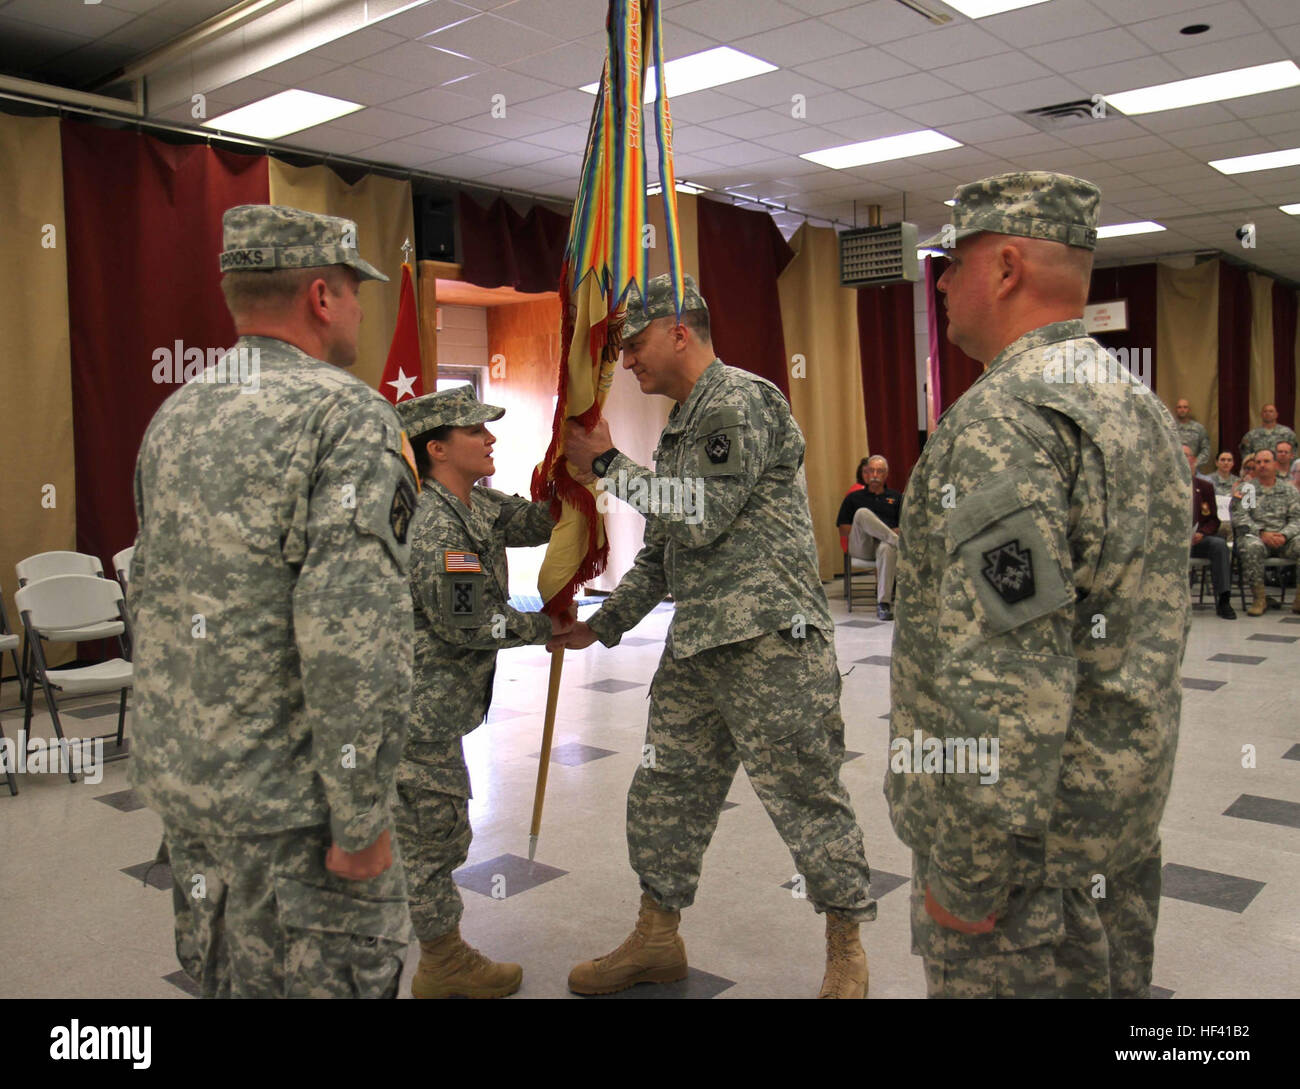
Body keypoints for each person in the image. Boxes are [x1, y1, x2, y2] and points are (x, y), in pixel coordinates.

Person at [891, 172, 1190, 998]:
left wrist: (970, 869)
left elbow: (1007, 679)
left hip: (1026, 874)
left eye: (955, 262)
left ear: (1008, 266)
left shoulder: (1003, 421)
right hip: (1116, 832)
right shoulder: (1139, 408)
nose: (943, 284)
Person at [556, 273, 875, 999]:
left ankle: (846, 947)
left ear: (679, 330)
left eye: (634, 344)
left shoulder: (739, 400)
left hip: (771, 644)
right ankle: (657, 935)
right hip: (698, 645)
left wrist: (606, 465)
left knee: (806, 795)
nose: (628, 363)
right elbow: (667, 550)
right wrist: (600, 625)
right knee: (666, 790)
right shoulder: (681, 426)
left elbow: (697, 514)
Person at [129, 204, 417, 998]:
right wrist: (360, 816)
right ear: (321, 296)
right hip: (300, 813)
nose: (361, 306)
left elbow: (148, 597)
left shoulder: (174, 417)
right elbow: (352, 630)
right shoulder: (346, 415)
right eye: (355, 289)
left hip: (197, 798)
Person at [392, 386, 570, 999]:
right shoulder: (434, 524)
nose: (491, 440)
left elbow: (534, 520)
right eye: (477, 433)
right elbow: (468, 624)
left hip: (439, 706)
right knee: (432, 832)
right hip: (415, 711)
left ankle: (434, 953)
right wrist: (549, 627)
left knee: (433, 829)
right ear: (437, 448)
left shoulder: (473, 501)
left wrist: (572, 472)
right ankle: (442, 963)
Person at [1230, 448, 1300, 616]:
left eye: (1266, 461)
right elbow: (1240, 517)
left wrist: (1284, 535)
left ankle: (1299, 599)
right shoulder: (1248, 490)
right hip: (1257, 537)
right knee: (1251, 546)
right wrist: (1261, 533)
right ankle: (1259, 598)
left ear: (1275, 464)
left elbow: (1297, 519)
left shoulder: (1289, 490)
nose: (1262, 465)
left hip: (1284, 539)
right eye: (1259, 462)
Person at [836, 455, 903, 620]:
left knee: (887, 548)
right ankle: (895, 541)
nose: (874, 474)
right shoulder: (854, 498)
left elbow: (904, 526)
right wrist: (867, 529)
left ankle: (883, 604)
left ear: (886, 475)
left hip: (883, 545)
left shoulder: (896, 498)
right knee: (862, 513)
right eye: (871, 470)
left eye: (879, 471)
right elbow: (843, 529)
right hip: (862, 545)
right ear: (865, 474)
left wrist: (893, 532)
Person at [1185, 445, 1235, 620]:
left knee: (1219, 545)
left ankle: (1224, 599)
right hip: (1173, 542)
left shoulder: (1204, 486)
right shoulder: (1165, 485)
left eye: (1187, 456)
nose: (1184, 459)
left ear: (1194, 460)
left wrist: (1203, 534)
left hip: (1198, 540)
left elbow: (1213, 519)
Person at [1173, 398, 1210, 472]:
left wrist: (1195, 462)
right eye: (1179, 407)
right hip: (1174, 468)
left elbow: (1206, 450)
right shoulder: (1169, 427)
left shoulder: (1199, 428)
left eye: (1185, 407)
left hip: (1192, 470)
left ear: (1189, 410)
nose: (1182, 410)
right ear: (1176, 410)